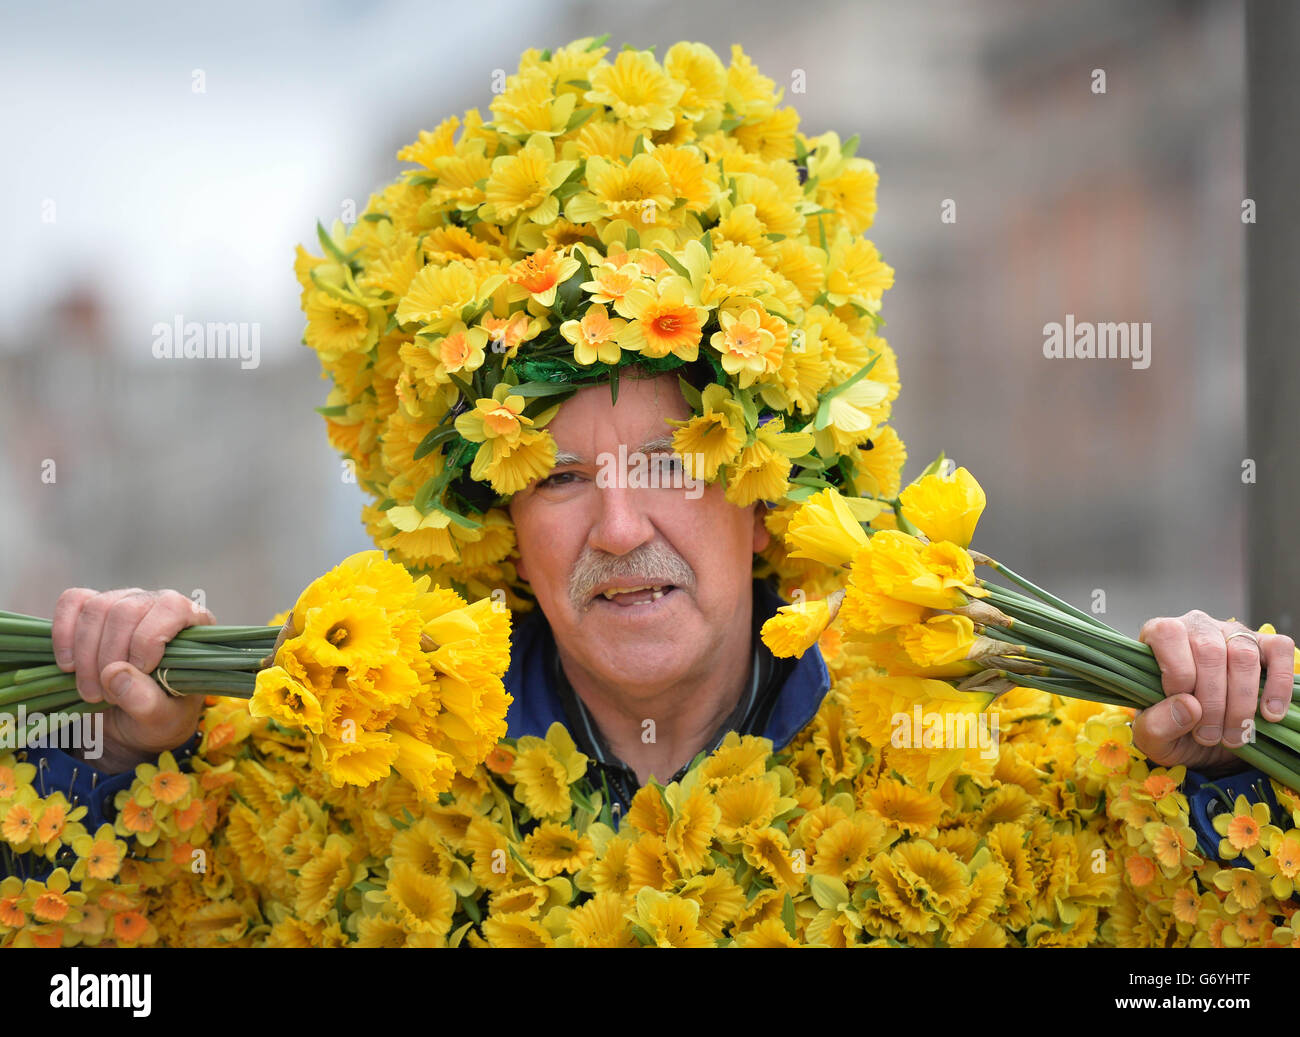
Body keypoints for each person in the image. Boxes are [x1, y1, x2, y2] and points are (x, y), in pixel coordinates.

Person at [27, 368, 1297, 823]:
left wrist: (1213, 774)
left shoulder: (965, 747)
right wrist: (122, 756)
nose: (621, 525)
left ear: (765, 503)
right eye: (562, 473)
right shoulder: (355, 757)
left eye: (677, 465)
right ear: (501, 534)